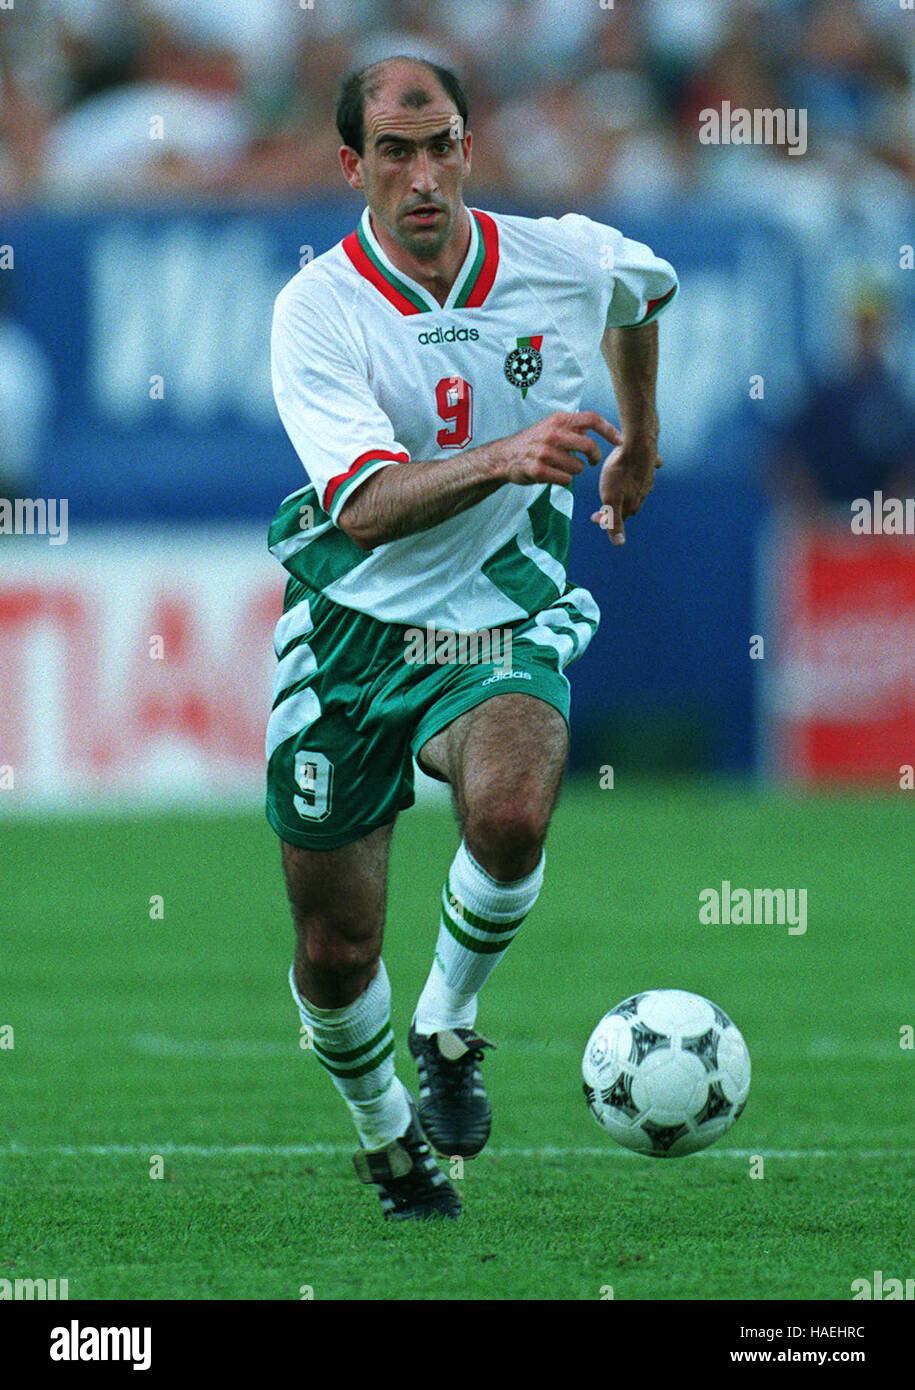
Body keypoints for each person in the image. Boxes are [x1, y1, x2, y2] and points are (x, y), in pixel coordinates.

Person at [267, 54, 677, 1220]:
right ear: (354, 166)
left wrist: (638, 441)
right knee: (337, 950)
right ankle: (387, 1134)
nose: (423, 173)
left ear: (467, 148)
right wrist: (508, 453)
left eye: (440, 143)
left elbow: (643, 294)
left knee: (509, 810)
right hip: (353, 634)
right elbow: (363, 506)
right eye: (394, 152)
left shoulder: (559, 256)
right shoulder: (318, 309)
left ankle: (448, 1019)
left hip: (500, 616)